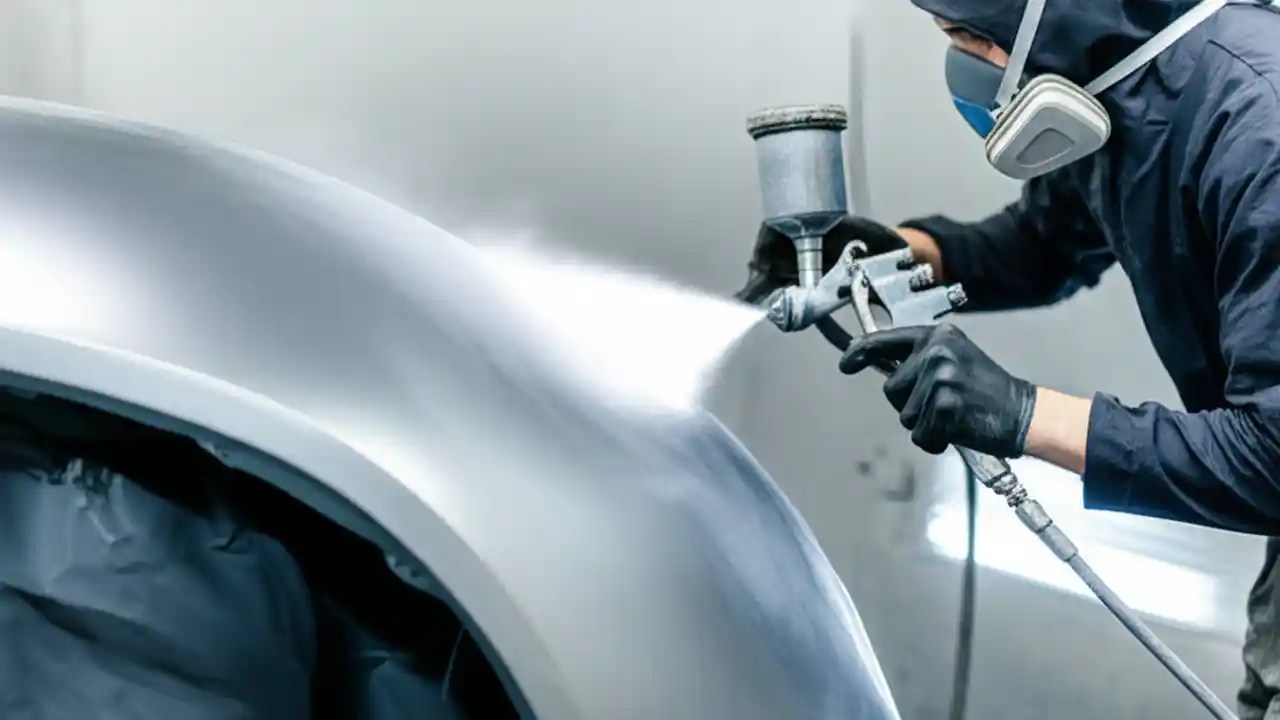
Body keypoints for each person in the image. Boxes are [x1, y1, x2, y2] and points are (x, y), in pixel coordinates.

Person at [737, 0, 1280, 717]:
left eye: (967, 36)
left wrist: (1022, 412)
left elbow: (1272, 456)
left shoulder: (1257, 129)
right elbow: (1045, 243)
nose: (958, 63)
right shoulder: (1121, 79)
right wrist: (895, 254)